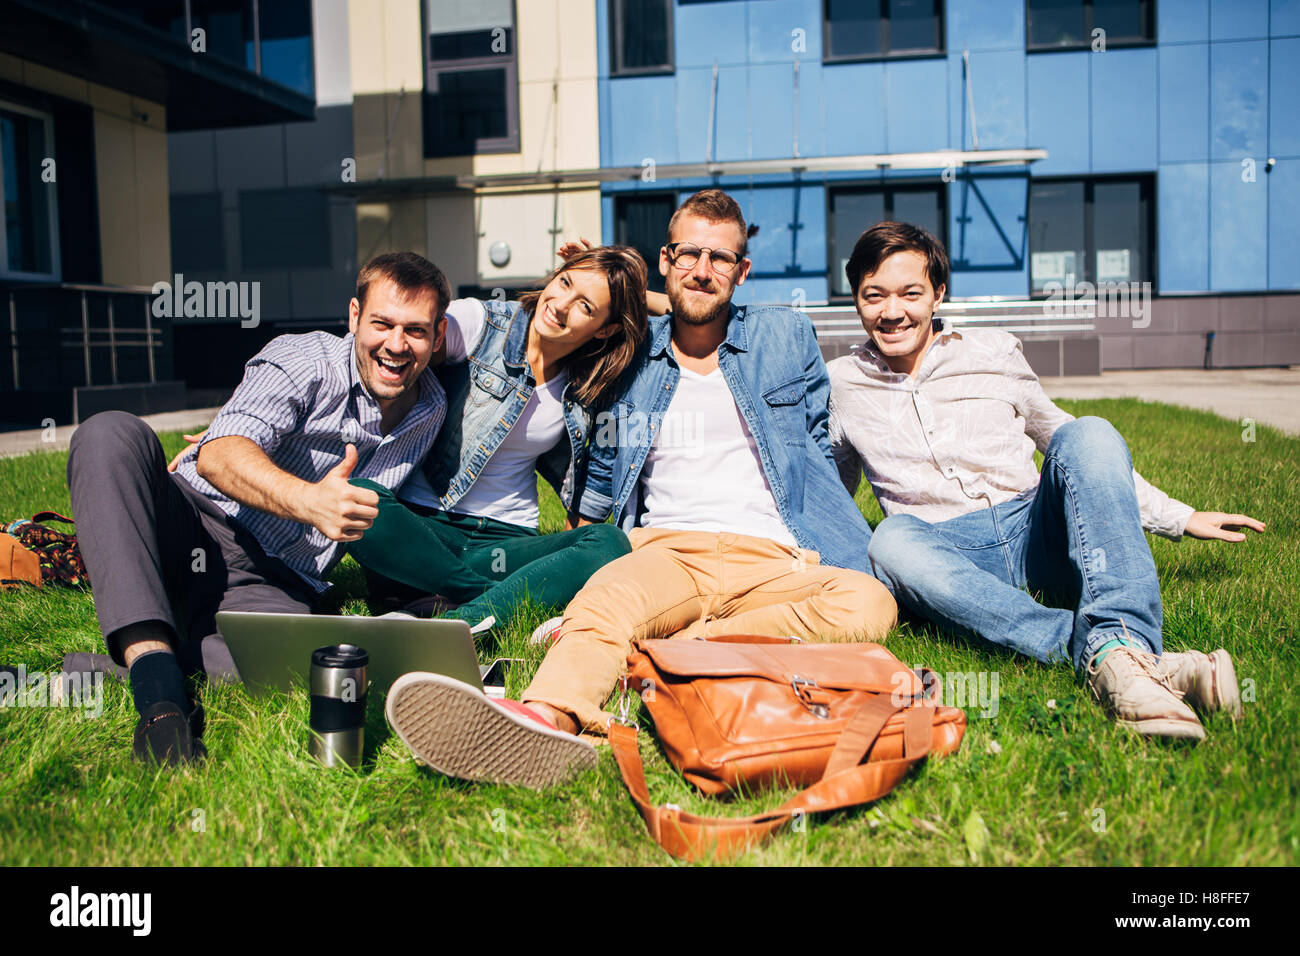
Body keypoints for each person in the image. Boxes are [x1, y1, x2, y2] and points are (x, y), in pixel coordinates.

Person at [383, 189, 898, 788]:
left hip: (778, 558)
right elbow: (601, 469)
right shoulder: (633, 354)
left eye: (721, 259)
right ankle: (539, 717)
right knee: (606, 603)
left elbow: (811, 444)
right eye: (688, 254)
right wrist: (607, 283)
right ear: (665, 258)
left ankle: (680, 644)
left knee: (870, 603)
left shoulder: (783, 337)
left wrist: (682, 287)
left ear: (743, 270)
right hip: (667, 552)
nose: (702, 270)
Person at [825, 221, 1265, 741]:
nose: (892, 312)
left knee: (1090, 430)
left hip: (1038, 531)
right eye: (873, 296)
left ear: (938, 293)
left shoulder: (993, 351)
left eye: (910, 293)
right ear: (856, 299)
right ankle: (1122, 658)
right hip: (945, 556)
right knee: (890, 539)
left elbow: (1074, 448)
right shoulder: (841, 383)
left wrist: (1179, 517)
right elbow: (830, 498)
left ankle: (1118, 645)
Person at [68, 252, 452, 765]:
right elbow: (220, 454)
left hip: (274, 583)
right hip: (192, 526)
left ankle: (142, 655)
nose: (397, 345)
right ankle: (161, 704)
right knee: (107, 434)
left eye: (416, 330)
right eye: (382, 323)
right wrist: (310, 500)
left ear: (440, 334)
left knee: (317, 671)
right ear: (355, 316)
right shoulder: (303, 360)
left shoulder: (432, 408)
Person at [342, 245, 648, 631]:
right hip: (423, 532)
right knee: (357, 499)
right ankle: (491, 602)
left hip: (505, 541)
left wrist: (638, 291)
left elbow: (689, 317)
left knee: (609, 543)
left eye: (586, 305)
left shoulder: (588, 381)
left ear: (605, 329)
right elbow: (415, 327)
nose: (561, 304)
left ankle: (443, 615)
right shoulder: (481, 323)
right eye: (565, 281)